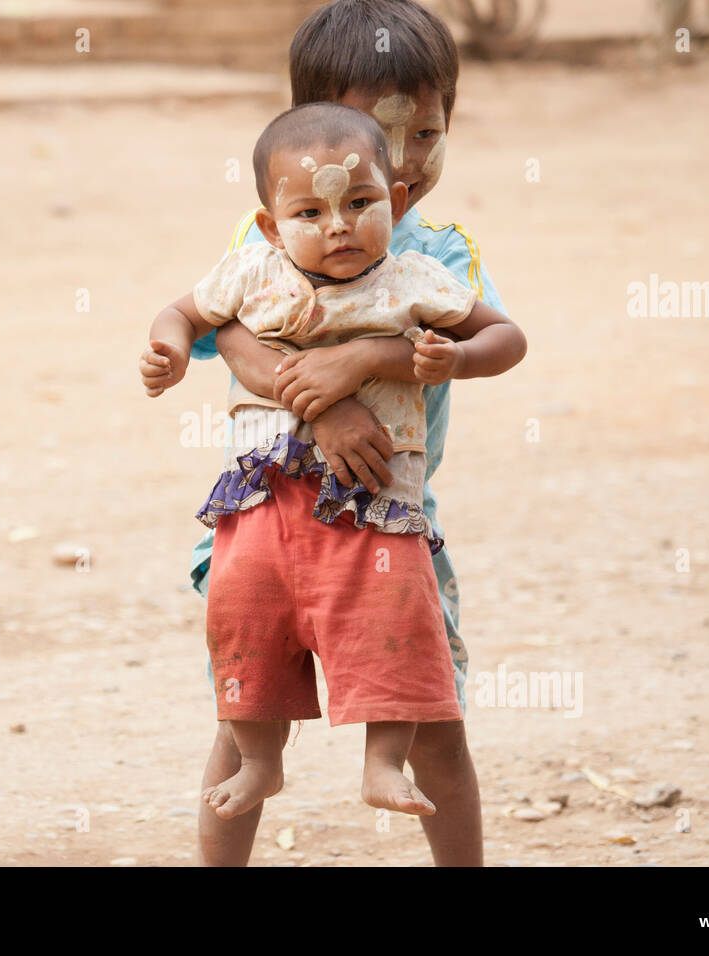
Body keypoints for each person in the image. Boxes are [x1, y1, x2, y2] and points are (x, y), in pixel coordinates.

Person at [141, 102, 525, 833]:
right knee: (244, 622)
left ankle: (383, 760)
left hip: (374, 508)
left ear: (396, 200)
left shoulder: (417, 278)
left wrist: (458, 357)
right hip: (261, 505)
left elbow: (506, 338)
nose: (339, 224)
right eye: (311, 211)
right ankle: (261, 760)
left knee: (399, 627)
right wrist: (163, 349)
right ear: (270, 224)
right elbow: (187, 316)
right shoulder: (251, 269)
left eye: (359, 203)